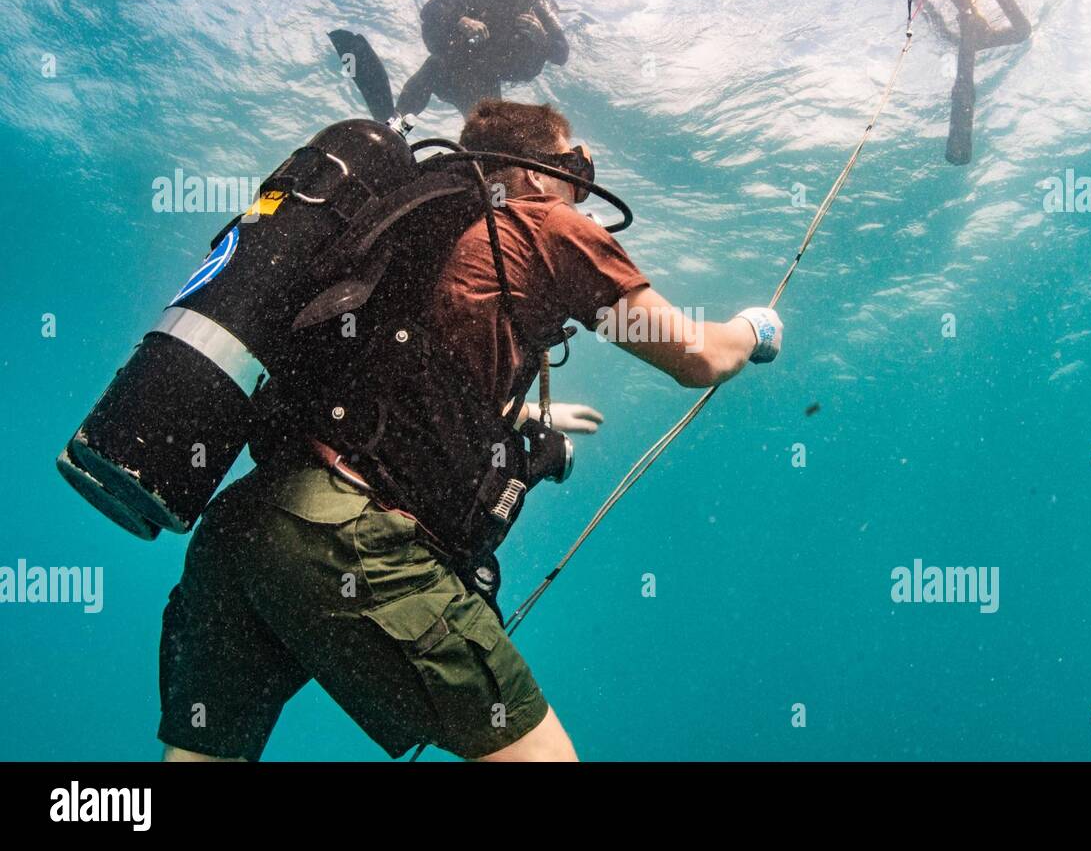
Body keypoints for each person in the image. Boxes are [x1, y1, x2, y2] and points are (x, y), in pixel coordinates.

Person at [157, 99, 784, 763]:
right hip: (341, 536)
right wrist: (753, 330)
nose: (581, 186)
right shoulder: (547, 225)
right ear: (536, 174)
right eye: (577, 165)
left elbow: (394, 379)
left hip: (245, 527)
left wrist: (526, 422)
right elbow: (698, 358)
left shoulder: (420, 235)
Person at [330, 0, 569, 121]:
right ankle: (396, 124)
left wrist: (542, 37)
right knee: (434, 66)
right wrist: (460, 20)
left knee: (487, 135)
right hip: (449, 63)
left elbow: (561, 54)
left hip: (484, 81)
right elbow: (431, 10)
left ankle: (476, 167)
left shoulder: (541, 5)